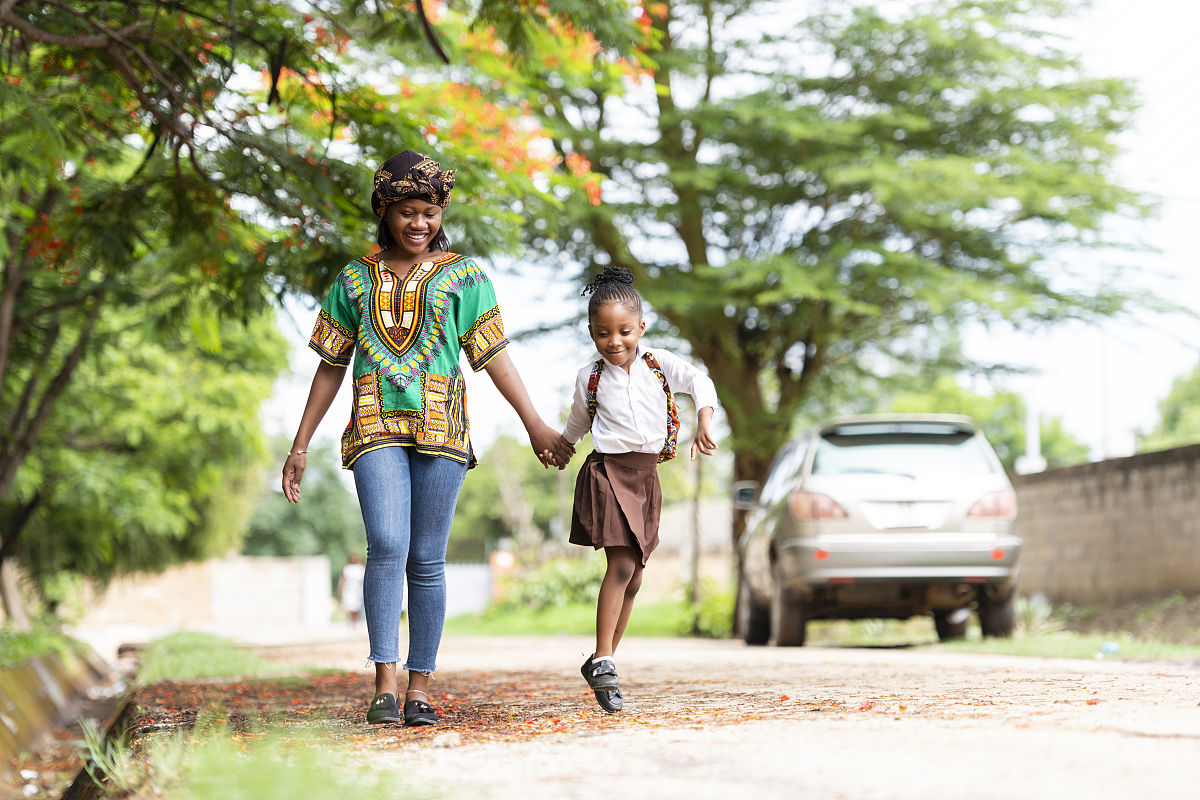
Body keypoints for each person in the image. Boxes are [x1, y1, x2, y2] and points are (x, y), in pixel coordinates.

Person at [282, 150, 572, 727]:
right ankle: (383, 684)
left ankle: (420, 687)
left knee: (428, 560)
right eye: (407, 212)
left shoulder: (465, 277)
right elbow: (330, 366)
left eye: (430, 213)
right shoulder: (353, 279)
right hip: (374, 423)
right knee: (386, 545)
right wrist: (298, 444)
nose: (419, 224)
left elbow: (494, 356)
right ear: (384, 212)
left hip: (442, 427)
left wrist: (535, 423)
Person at [552, 266, 719, 713]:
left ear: (641, 328)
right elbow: (578, 422)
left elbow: (700, 382)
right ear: (591, 333)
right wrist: (563, 447)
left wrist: (704, 418)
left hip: (646, 477)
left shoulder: (658, 363)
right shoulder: (589, 376)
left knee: (637, 575)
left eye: (624, 331)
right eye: (603, 333)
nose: (615, 341)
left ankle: (601, 662)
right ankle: (604, 658)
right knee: (622, 564)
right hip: (607, 472)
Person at [338, 553, 366, 628]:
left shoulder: (361, 568)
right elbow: (343, 579)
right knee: (350, 606)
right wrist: (340, 588)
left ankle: (356, 622)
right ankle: (352, 621)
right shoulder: (347, 568)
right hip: (349, 590)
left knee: (357, 606)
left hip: (358, 590)